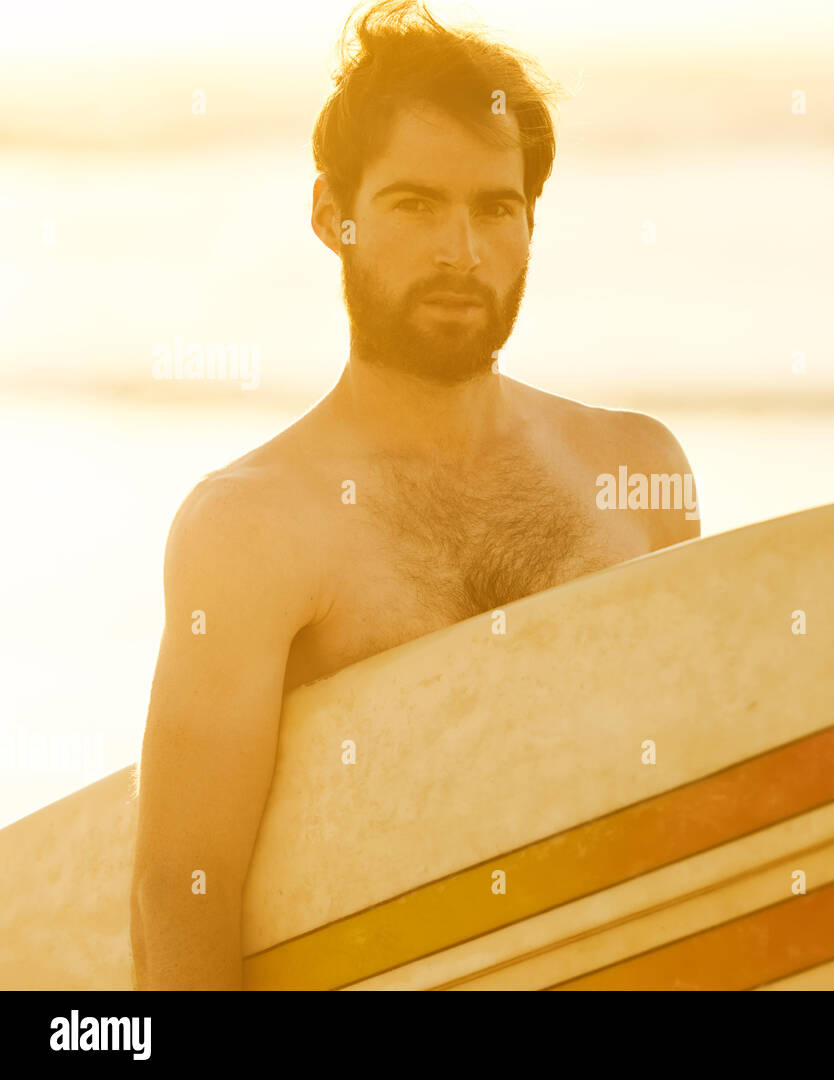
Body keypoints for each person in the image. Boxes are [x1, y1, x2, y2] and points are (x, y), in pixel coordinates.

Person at [129, 0, 699, 990]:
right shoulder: (253, 529)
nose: (461, 251)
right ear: (330, 216)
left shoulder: (639, 473)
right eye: (413, 204)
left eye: (495, 207)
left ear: (530, 224)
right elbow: (182, 887)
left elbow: (706, 783)